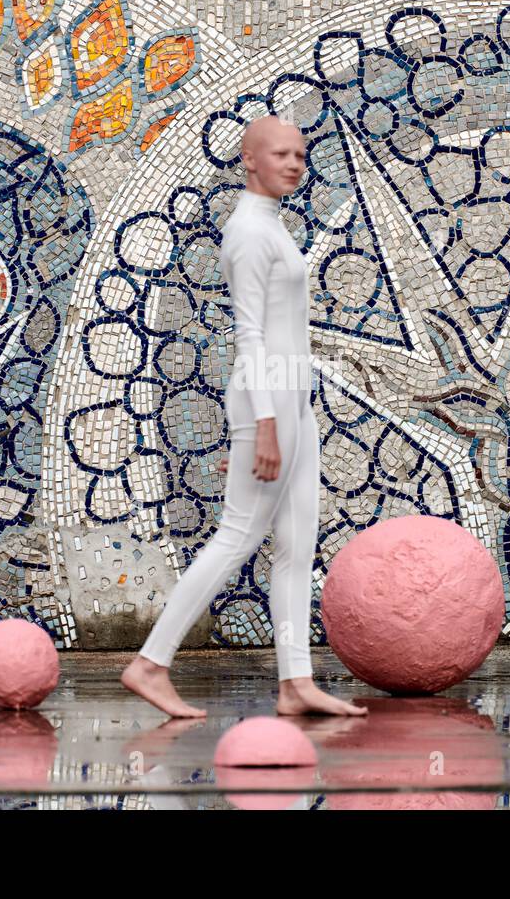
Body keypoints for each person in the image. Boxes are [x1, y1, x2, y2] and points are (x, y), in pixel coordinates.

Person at [121, 115, 368, 718]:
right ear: (248, 160)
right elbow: (249, 335)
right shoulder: (249, 234)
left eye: (300, 155)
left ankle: (295, 682)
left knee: (295, 546)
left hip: (292, 399)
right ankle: (150, 663)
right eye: (280, 154)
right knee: (238, 535)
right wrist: (262, 423)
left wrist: (283, 414)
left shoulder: (273, 227)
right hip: (269, 398)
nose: (294, 164)